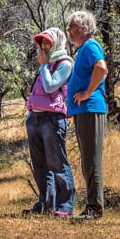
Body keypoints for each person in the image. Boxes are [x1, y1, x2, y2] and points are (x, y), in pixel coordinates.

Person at [23, 27, 76, 217]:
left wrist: (44, 66)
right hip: (35, 118)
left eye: (47, 42)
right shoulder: (46, 64)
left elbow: (50, 85)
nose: (44, 47)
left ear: (56, 43)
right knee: (40, 165)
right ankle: (46, 203)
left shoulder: (64, 64)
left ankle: (65, 206)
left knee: (57, 163)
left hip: (52, 119)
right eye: (42, 43)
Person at [65, 10, 108, 221]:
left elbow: (101, 68)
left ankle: (95, 208)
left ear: (83, 28)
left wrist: (88, 93)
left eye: (71, 27)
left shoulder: (91, 45)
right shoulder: (82, 49)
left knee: (91, 161)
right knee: (87, 161)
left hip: (91, 108)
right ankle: (92, 205)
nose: (69, 31)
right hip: (83, 111)